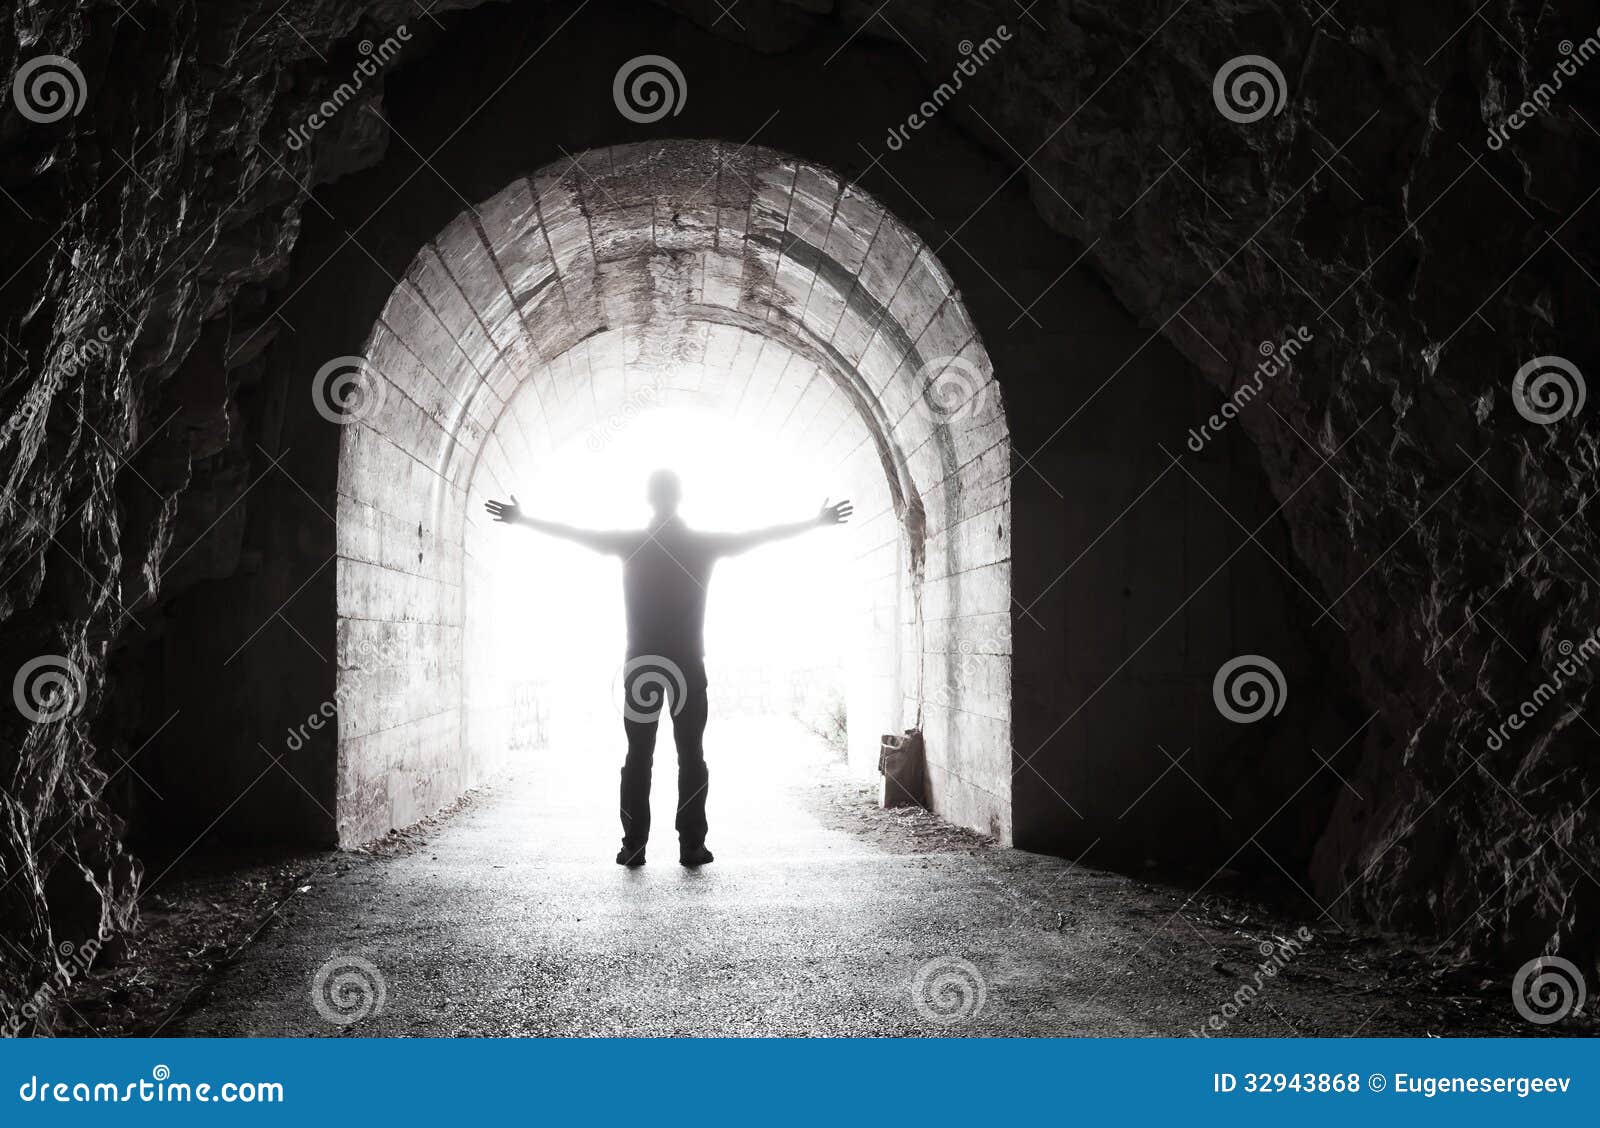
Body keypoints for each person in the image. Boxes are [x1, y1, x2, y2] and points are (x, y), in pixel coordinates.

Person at [484, 470, 852, 868]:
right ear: (679, 498)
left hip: (643, 665)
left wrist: (523, 519)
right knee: (691, 755)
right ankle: (692, 845)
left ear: (649, 498)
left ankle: (634, 846)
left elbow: (576, 533)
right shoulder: (700, 544)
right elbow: (758, 536)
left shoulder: (632, 543)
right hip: (687, 666)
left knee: (638, 756)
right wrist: (816, 522)